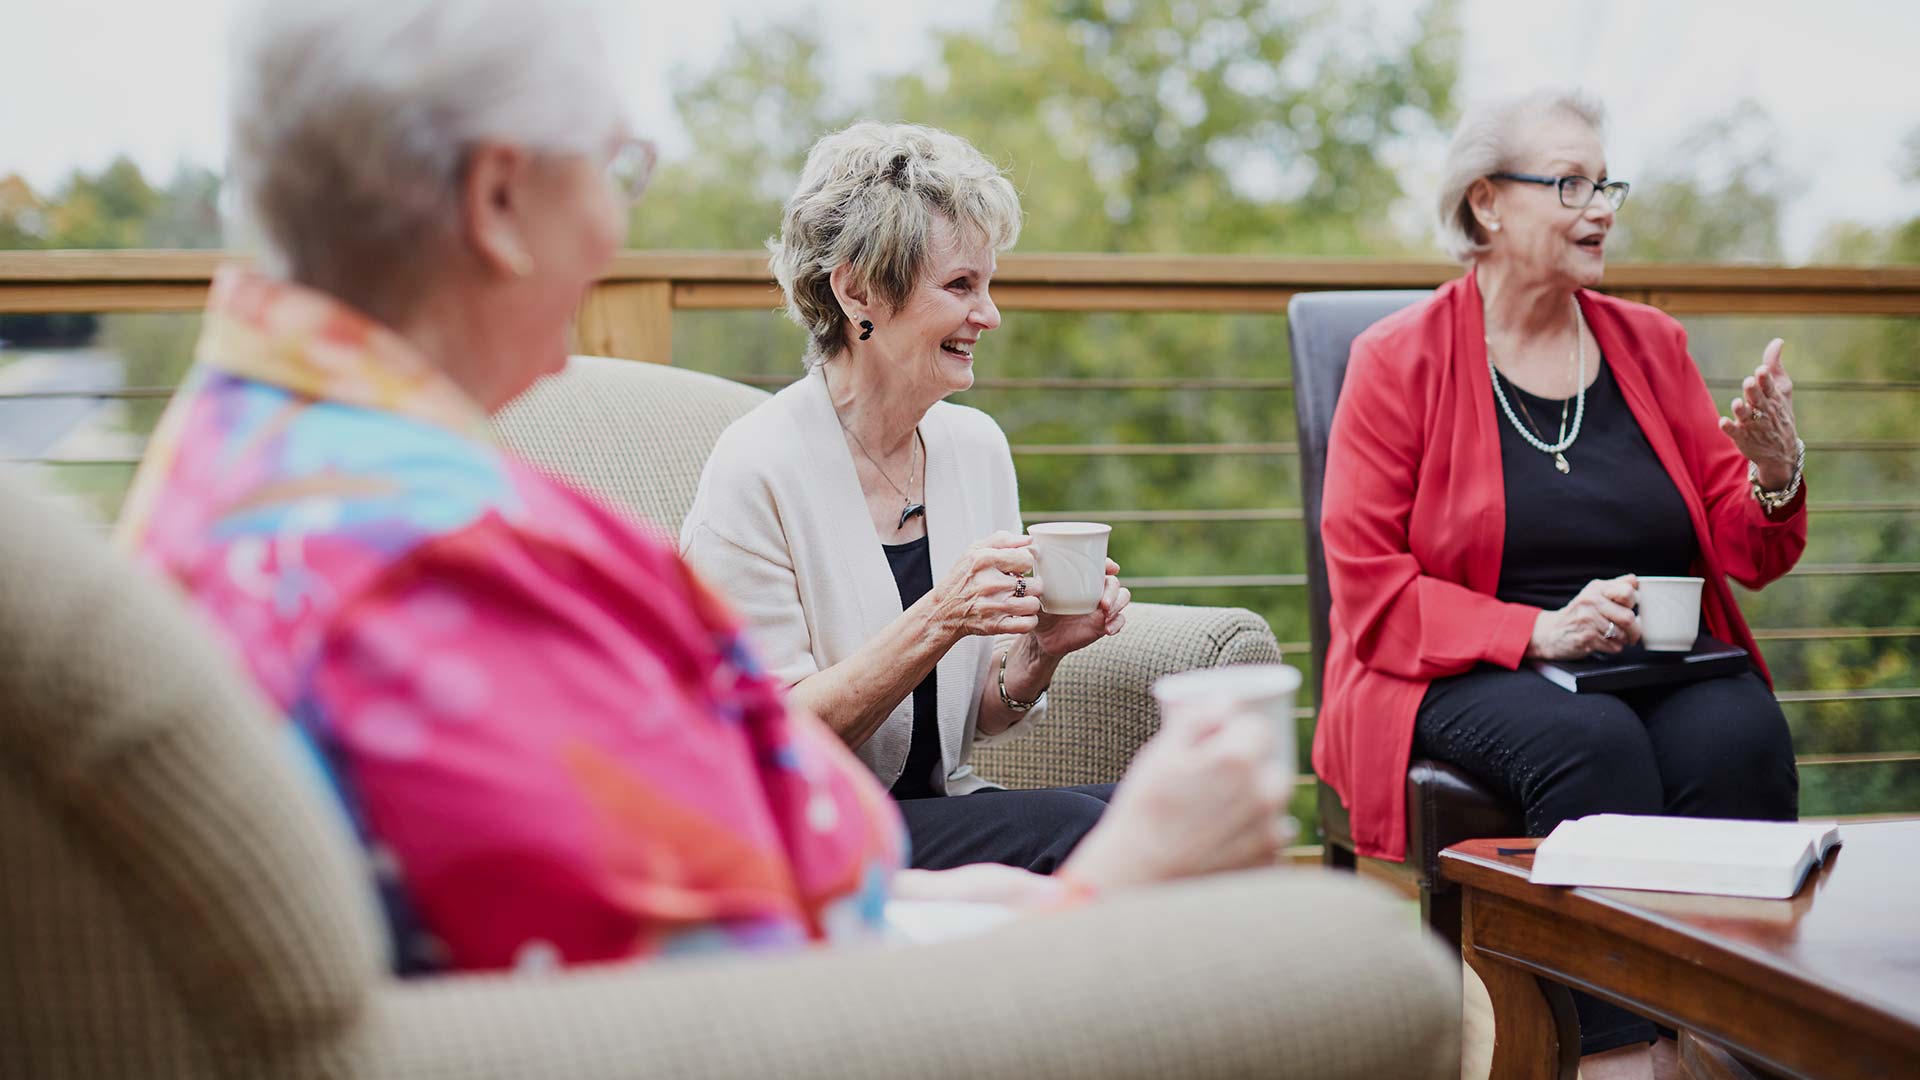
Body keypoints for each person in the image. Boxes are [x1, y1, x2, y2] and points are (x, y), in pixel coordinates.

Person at [118, 0, 1287, 975]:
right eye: (617, 167)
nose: (619, 227)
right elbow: (739, 983)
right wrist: (1122, 883)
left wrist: (1032, 671)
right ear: (499, 201)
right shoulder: (463, 564)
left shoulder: (242, 461)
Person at [1314, 88, 1804, 1078]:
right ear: (1488, 204)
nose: (1601, 208)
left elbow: (1745, 549)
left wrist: (1775, 471)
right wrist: (1536, 632)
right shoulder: (1398, 360)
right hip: (1464, 660)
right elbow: (1367, 587)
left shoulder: (1649, 346)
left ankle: (1726, 1040)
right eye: (1570, 183)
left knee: (1742, 729)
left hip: (1646, 657)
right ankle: (1612, 1055)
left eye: (1606, 182)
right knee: (1592, 747)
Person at [680, 123, 1132, 872]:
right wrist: (940, 616)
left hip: (932, 812)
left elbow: (977, 714)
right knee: (1091, 834)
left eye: (988, 285)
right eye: (960, 286)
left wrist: (1040, 652)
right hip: (804, 835)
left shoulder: (974, 447)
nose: (989, 315)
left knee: (1160, 810)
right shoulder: (756, 467)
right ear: (857, 289)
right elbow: (766, 739)